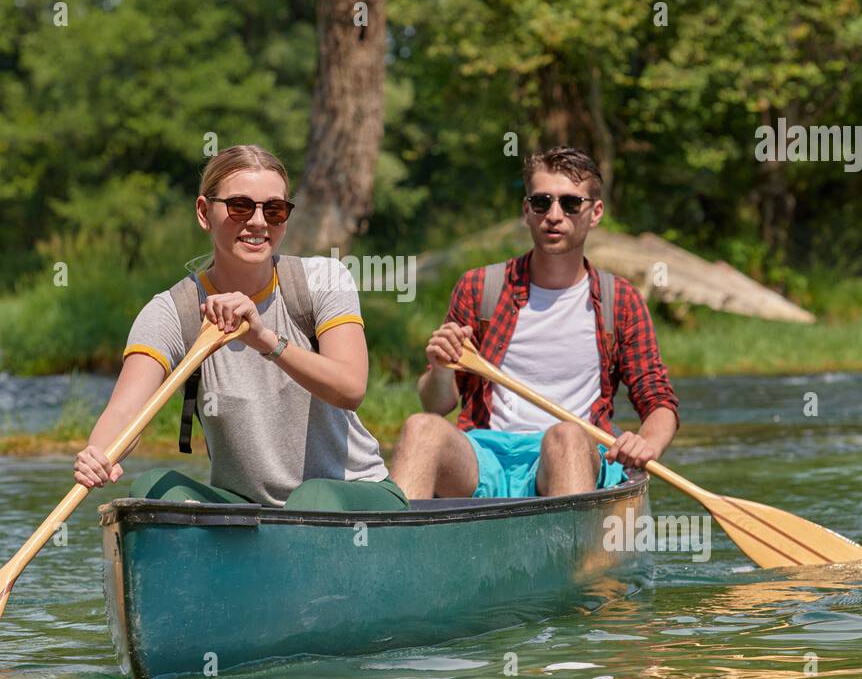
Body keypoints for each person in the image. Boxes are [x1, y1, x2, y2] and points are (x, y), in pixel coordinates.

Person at [73, 144, 407, 511]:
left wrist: (264, 339)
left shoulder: (325, 279)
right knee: (155, 488)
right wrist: (98, 454)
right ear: (204, 213)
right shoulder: (171, 312)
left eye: (274, 210)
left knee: (312, 499)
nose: (259, 222)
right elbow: (124, 412)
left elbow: (350, 388)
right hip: (249, 512)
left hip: (354, 495)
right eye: (240, 207)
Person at [391, 146, 679, 500]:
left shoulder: (620, 300)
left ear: (595, 212)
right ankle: (395, 547)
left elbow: (658, 400)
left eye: (571, 204)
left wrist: (646, 443)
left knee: (566, 436)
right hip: (485, 455)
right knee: (421, 428)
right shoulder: (480, 288)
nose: (554, 215)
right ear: (527, 211)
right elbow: (436, 405)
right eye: (542, 202)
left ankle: (571, 552)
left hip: (572, 453)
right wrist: (440, 369)